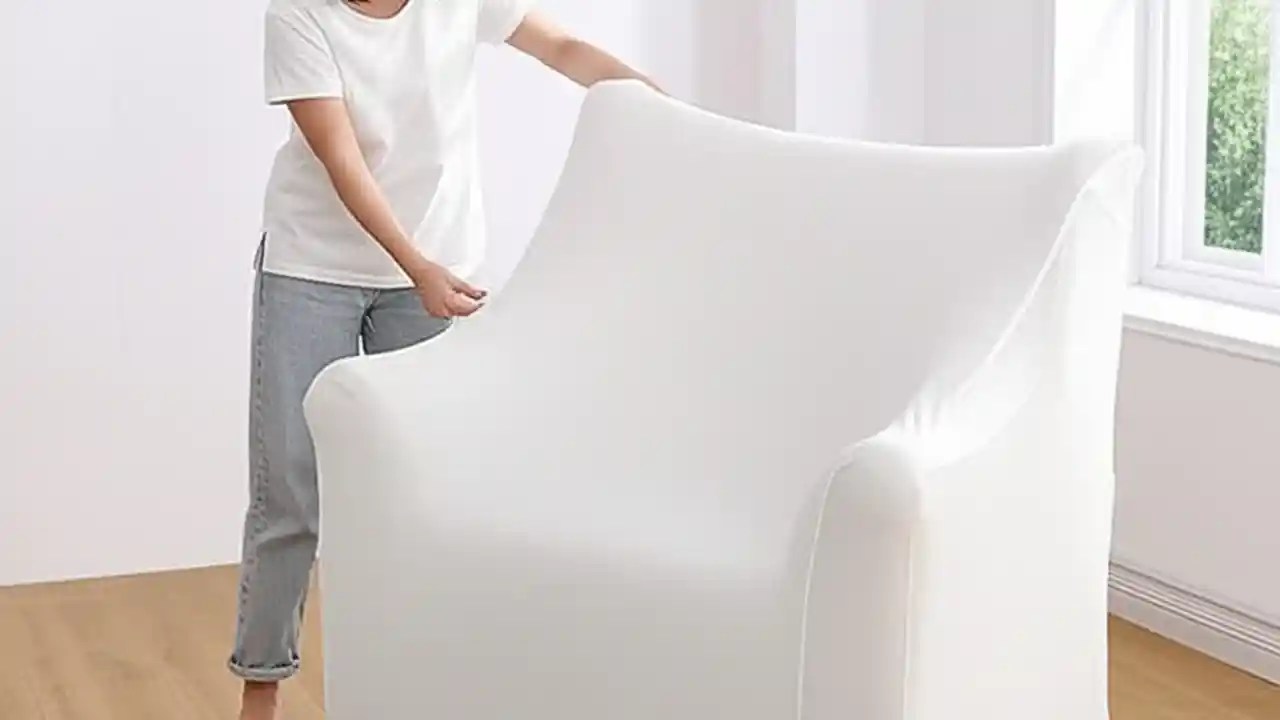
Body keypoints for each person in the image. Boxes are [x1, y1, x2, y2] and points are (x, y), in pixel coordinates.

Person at [230, 1, 655, 717]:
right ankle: (262, 689)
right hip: (315, 269)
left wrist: (661, 110)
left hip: (436, 272)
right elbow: (341, 158)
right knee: (290, 492)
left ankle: (430, 678)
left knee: (432, 490)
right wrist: (415, 264)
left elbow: (564, 49)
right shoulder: (299, 12)